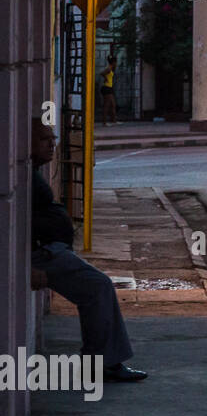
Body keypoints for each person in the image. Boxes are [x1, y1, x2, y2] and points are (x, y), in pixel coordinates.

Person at [29, 118, 146, 382]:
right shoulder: (20, 173)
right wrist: (27, 264)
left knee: (96, 289)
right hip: (43, 254)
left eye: (53, 140)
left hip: (51, 251)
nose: (51, 145)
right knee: (99, 286)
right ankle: (104, 363)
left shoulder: (31, 171)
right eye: (44, 139)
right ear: (25, 142)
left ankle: (101, 361)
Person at [99, 55, 118, 125]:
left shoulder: (111, 68)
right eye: (115, 62)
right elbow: (102, 73)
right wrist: (105, 78)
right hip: (106, 88)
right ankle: (104, 122)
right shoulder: (109, 68)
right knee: (106, 105)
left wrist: (106, 78)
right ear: (113, 62)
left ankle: (114, 121)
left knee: (113, 105)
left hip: (109, 88)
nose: (116, 64)